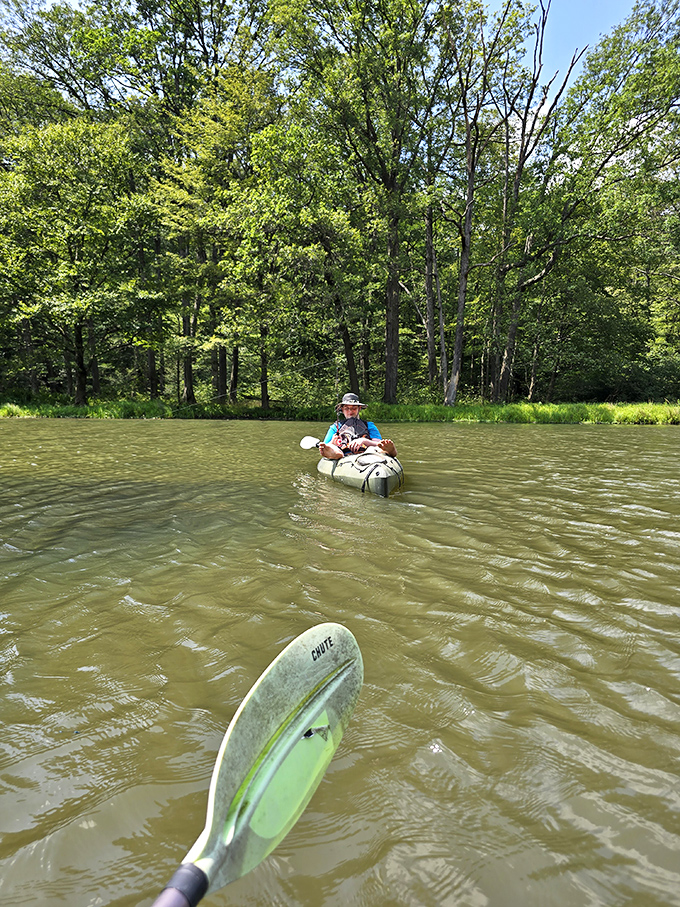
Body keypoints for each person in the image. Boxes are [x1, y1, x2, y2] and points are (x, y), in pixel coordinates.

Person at [319, 392, 398, 460]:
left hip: (366, 452)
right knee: (333, 448)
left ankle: (390, 451)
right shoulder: (335, 427)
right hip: (344, 452)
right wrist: (332, 442)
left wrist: (364, 441)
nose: (350, 411)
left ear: (359, 408)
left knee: (374, 449)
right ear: (342, 410)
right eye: (347, 408)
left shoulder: (369, 425)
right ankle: (336, 454)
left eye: (354, 408)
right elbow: (325, 446)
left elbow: (378, 443)